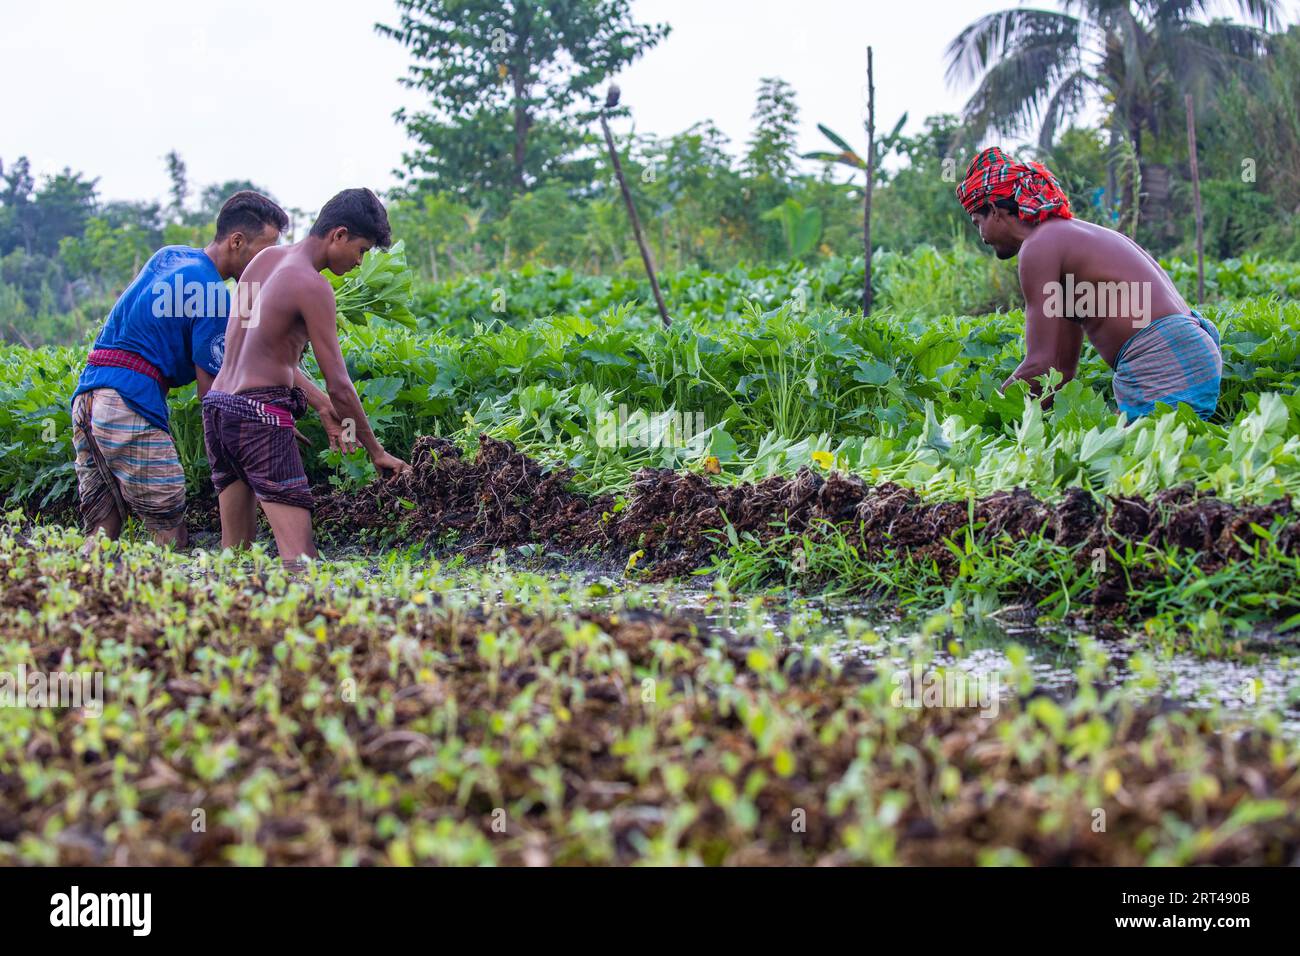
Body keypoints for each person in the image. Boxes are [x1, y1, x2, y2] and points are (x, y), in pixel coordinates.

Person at [202, 187, 410, 565]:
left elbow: (251, 348)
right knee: (302, 562)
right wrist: (375, 450)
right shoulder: (314, 287)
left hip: (218, 410)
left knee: (234, 559)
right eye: (361, 250)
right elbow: (340, 385)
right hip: (258, 416)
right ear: (339, 235)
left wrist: (321, 406)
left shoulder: (261, 262)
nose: (360, 262)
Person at [71, 191, 288, 547]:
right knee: (168, 528)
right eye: (265, 251)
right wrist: (267, 417)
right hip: (129, 404)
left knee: (101, 525)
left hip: (88, 396)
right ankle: (169, 599)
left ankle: (82, 598)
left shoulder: (170, 256)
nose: (270, 262)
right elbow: (213, 394)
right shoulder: (213, 295)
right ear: (237, 242)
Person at [956, 147, 1223, 420]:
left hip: (1162, 359)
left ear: (994, 210)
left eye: (978, 222)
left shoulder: (1038, 247)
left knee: (1143, 460)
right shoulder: (1062, 239)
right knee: (1137, 453)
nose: (982, 236)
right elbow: (1059, 372)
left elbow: (1039, 364)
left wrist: (984, 416)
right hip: (1191, 350)